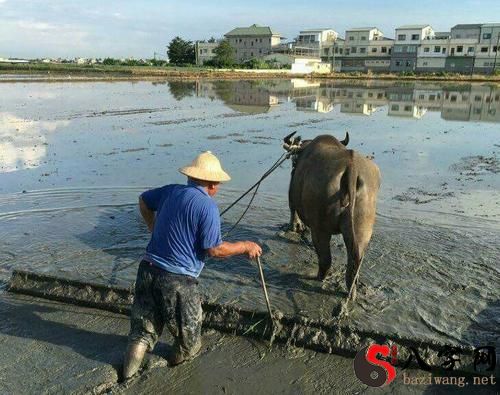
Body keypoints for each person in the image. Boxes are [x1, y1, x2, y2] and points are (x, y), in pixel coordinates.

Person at [123, 151, 262, 379]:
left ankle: (126, 377)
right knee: (190, 344)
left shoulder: (171, 191)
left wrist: (154, 227)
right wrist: (245, 246)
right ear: (213, 184)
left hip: (147, 270)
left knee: (141, 334)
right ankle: (170, 377)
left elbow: (143, 200)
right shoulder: (208, 207)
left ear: (190, 177)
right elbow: (215, 250)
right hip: (177, 282)